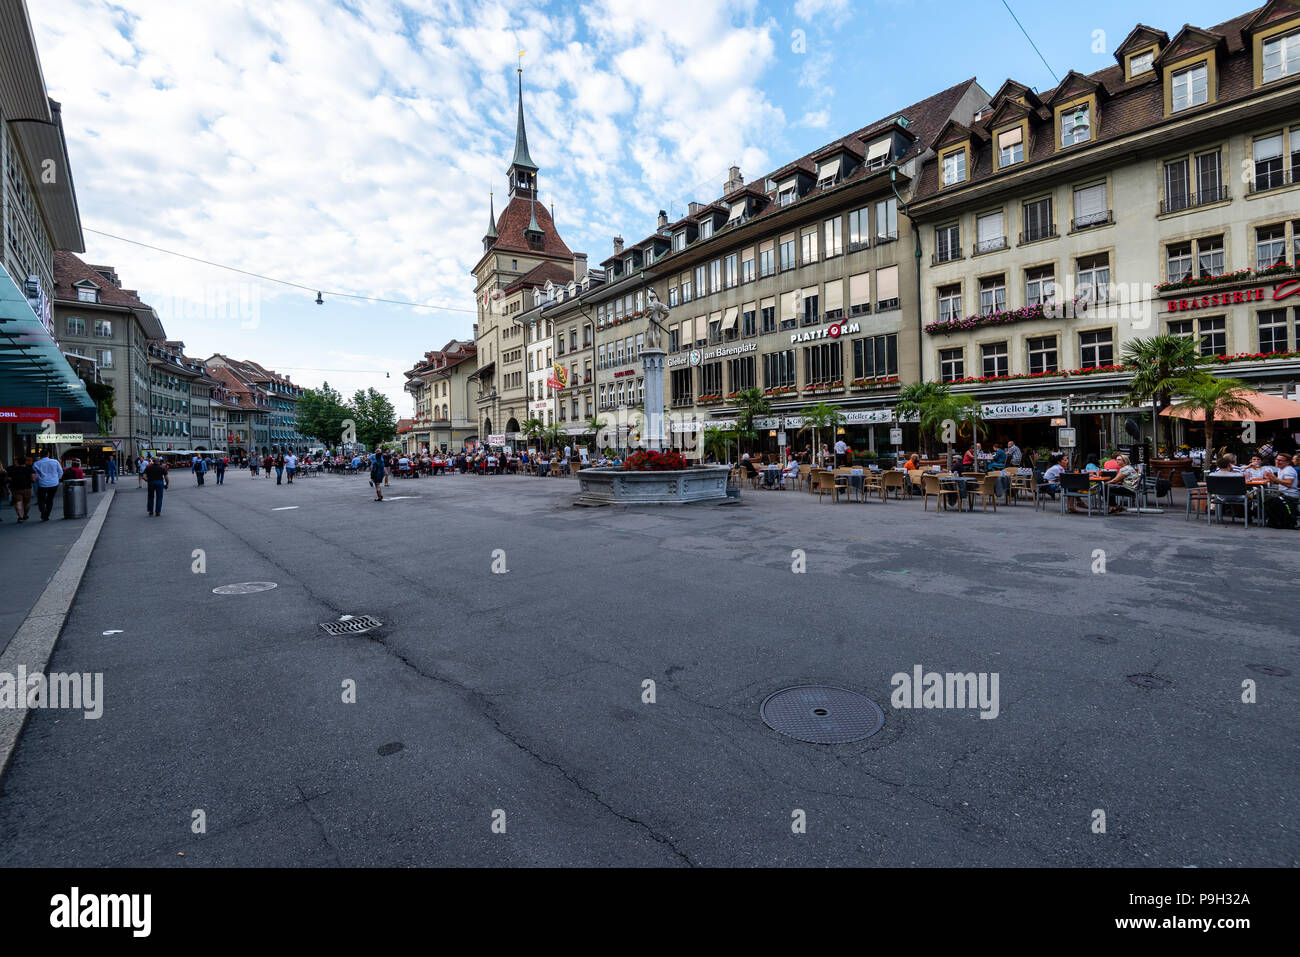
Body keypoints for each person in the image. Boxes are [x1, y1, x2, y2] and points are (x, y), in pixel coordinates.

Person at [32, 449, 63, 521]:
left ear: (40, 455)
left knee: (41, 499)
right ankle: (47, 514)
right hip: (54, 483)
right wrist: (57, 478)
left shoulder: (36, 463)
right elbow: (60, 472)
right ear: (48, 454)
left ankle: (43, 511)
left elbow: (36, 474)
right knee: (50, 499)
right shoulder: (55, 462)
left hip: (43, 483)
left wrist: (40, 478)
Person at [7, 457, 33, 522]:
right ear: (25, 462)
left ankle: (20, 517)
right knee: (26, 503)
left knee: (18, 502)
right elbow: (33, 478)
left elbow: (9, 479)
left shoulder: (12, 470)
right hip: (27, 488)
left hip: (16, 489)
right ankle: (25, 515)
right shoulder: (29, 469)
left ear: (17, 462)